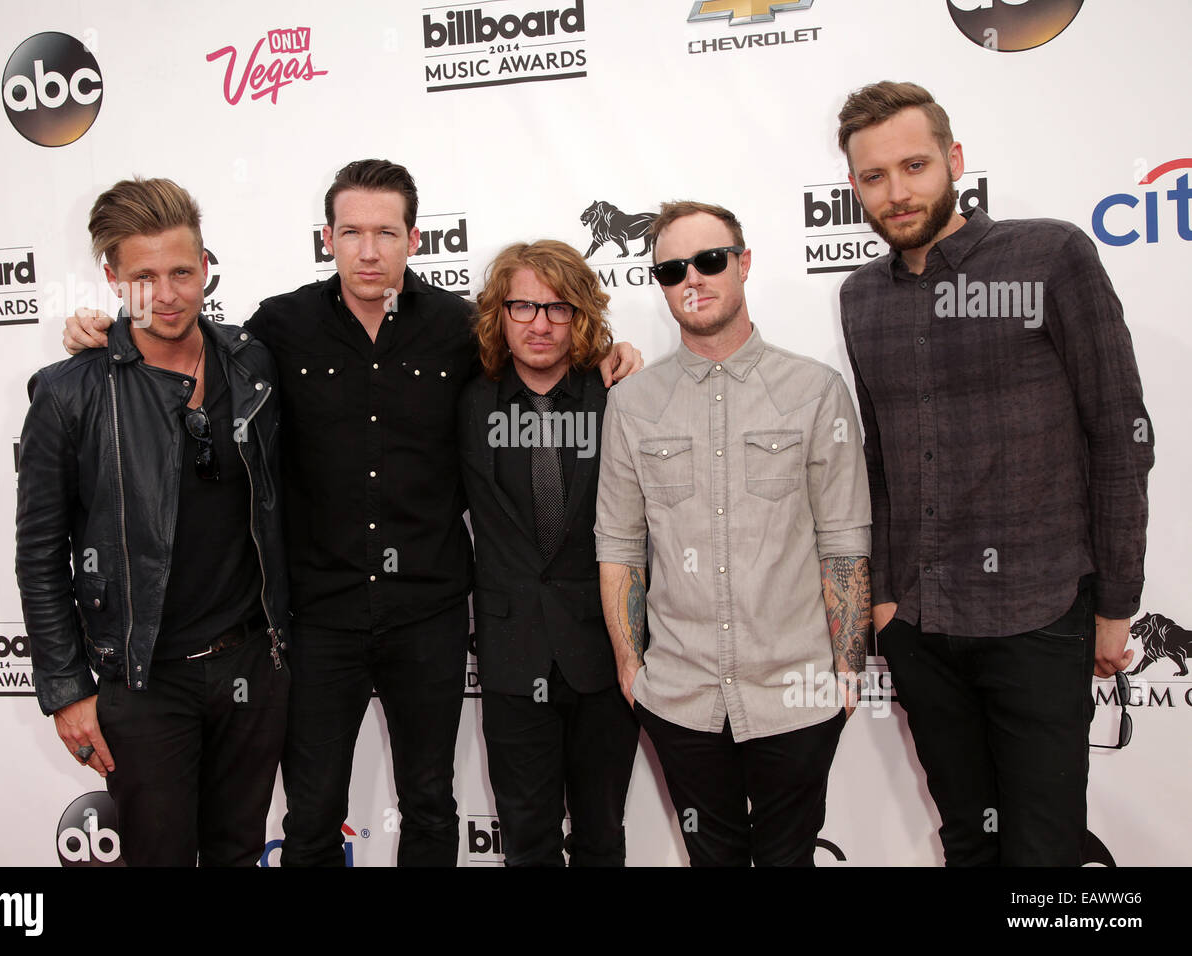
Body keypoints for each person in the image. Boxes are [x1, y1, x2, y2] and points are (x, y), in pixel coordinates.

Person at [63, 159, 642, 866]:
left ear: (415, 240)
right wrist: (107, 334)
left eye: (386, 233)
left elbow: (541, 357)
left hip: (428, 614)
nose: (369, 251)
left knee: (430, 804)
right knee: (311, 814)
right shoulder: (278, 327)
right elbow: (185, 349)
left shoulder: (463, 332)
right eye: (352, 232)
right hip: (317, 616)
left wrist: (609, 355)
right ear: (328, 239)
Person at [835, 80, 1154, 865]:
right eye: (874, 177)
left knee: (1042, 852)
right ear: (854, 187)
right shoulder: (860, 297)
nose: (897, 191)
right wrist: (882, 600)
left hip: (1040, 615)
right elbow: (878, 455)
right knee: (967, 844)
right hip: (921, 625)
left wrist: (1115, 606)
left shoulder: (1050, 255)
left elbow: (1121, 434)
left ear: (955, 160)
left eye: (914, 165)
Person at [16, 177, 290, 866]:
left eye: (180, 271)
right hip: (141, 684)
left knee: (237, 853)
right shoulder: (69, 392)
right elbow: (40, 554)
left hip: (247, 669)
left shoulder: (252, 366)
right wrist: (66, 690)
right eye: (143, 277)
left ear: (205, 266)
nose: (166, 295)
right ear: (112, 276)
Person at [595, 200, 871, 866]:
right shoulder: (631, 402)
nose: (692, 278)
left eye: (710, 260)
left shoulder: (814, 390)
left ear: (743, 264)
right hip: (679, 695)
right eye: (671, 269)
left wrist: (846, 669)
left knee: (787, 858)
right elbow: (620, 545)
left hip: (798, 692)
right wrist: (633, 672)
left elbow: (844, 538)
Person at [458, 240, 640, 866]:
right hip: (511, 656)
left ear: (581, 316)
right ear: (499, 315)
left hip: (604, 654)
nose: (539, 324)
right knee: (527, 843)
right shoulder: (467, 402)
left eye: (557, 309)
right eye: (523, 307)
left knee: (601, 836)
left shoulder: (619, 396)